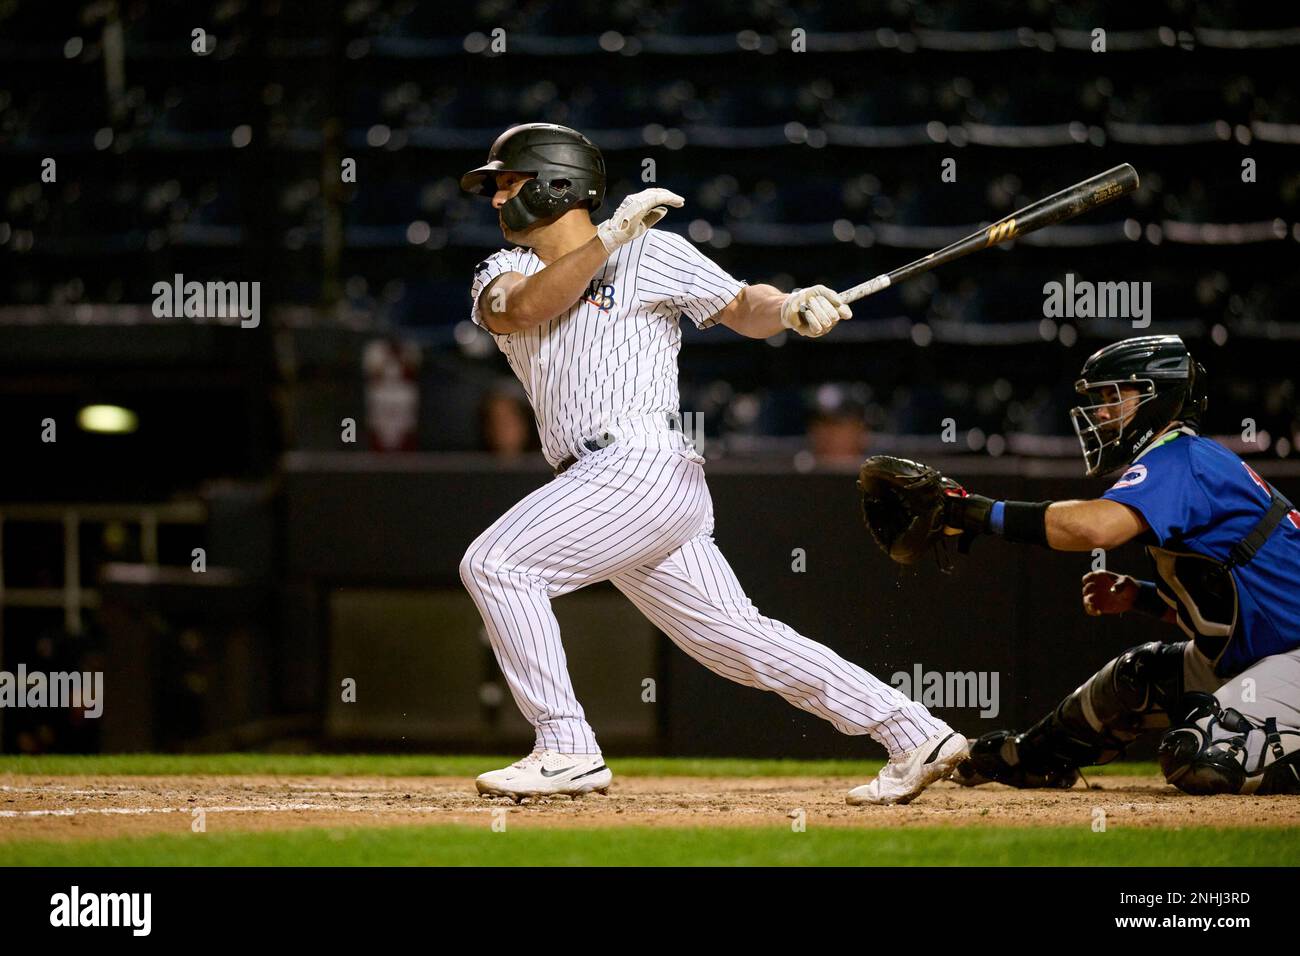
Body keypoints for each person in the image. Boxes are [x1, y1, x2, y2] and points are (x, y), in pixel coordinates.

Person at [456, 122, 967, 804]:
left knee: (497, 564)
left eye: (509, 183)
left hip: (638, 462)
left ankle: (566, 746)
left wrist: (789, 307)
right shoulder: (501, 270)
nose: (496, 200)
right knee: (738, 642)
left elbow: (742, 306)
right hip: (599, 480)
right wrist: (608, 239)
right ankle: (913, 731)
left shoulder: (655, 251)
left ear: (556, 183)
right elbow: (522, 310)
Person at [938, 335, 1300, 794]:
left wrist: (978, 513)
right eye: (1101, 399)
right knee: (1134, 678)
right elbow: (1231, 611)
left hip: (1292, 657)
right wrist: (1140, 597)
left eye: (1116, 397)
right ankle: (1030, 757)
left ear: (1160, 397)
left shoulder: (1181, 457)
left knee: (1202, 756)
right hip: (1267, 655)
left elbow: (1096, 528)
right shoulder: (1187, 459)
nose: (1103, 412)